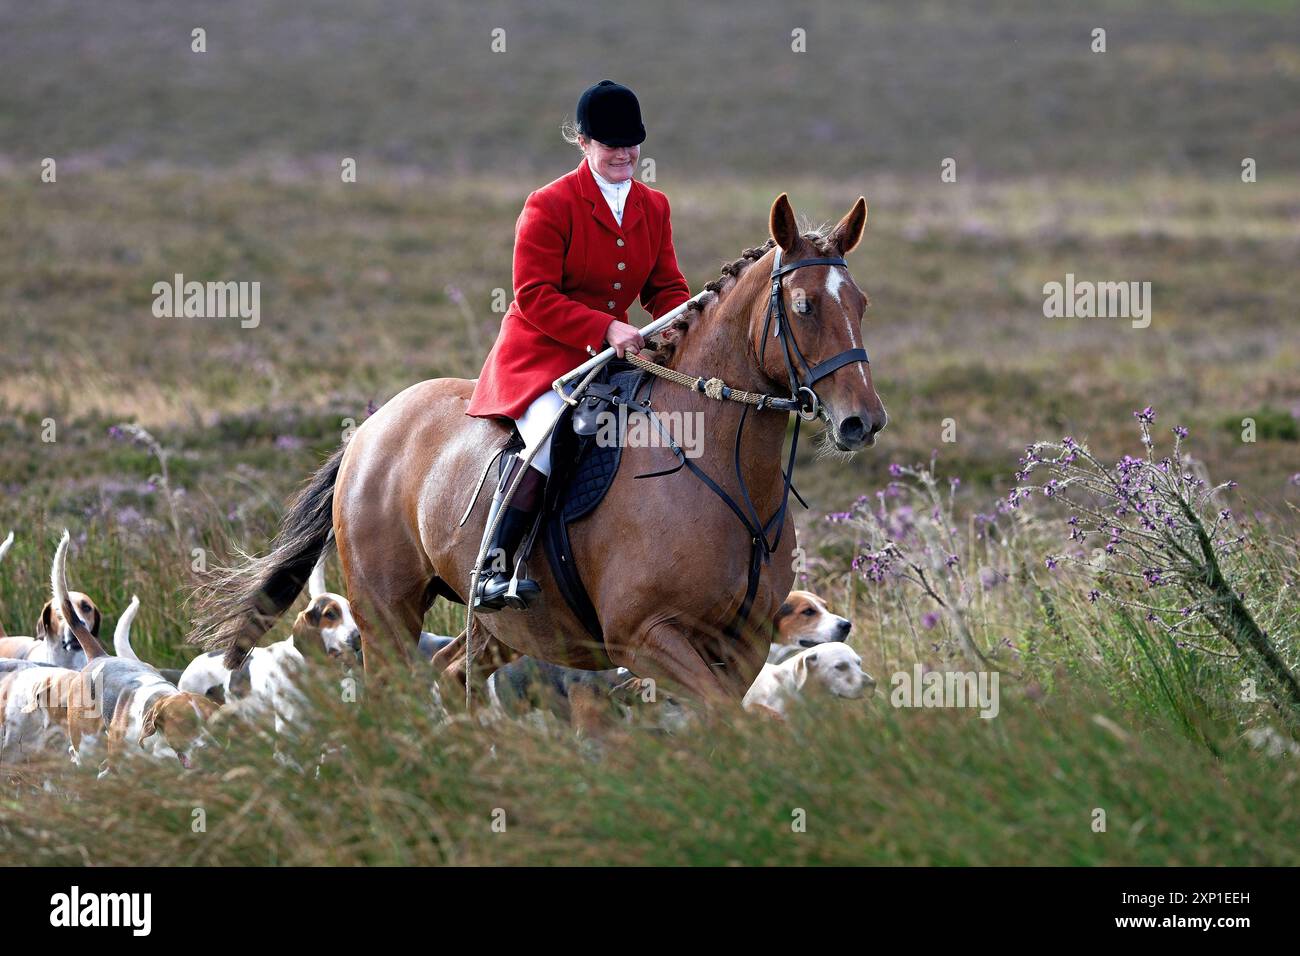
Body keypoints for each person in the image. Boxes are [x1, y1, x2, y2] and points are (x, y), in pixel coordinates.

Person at [465, 79, 691, 610]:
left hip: (613, 356)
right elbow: (533, 294)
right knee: (546, 438)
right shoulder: (549, 204)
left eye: (631, 144)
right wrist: (605, 328)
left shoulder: (653, 205)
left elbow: (666, 289)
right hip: (544, 356)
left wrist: (681, 323)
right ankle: (491, 569)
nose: (623, 154)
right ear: (584, 143)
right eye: (610, 144)